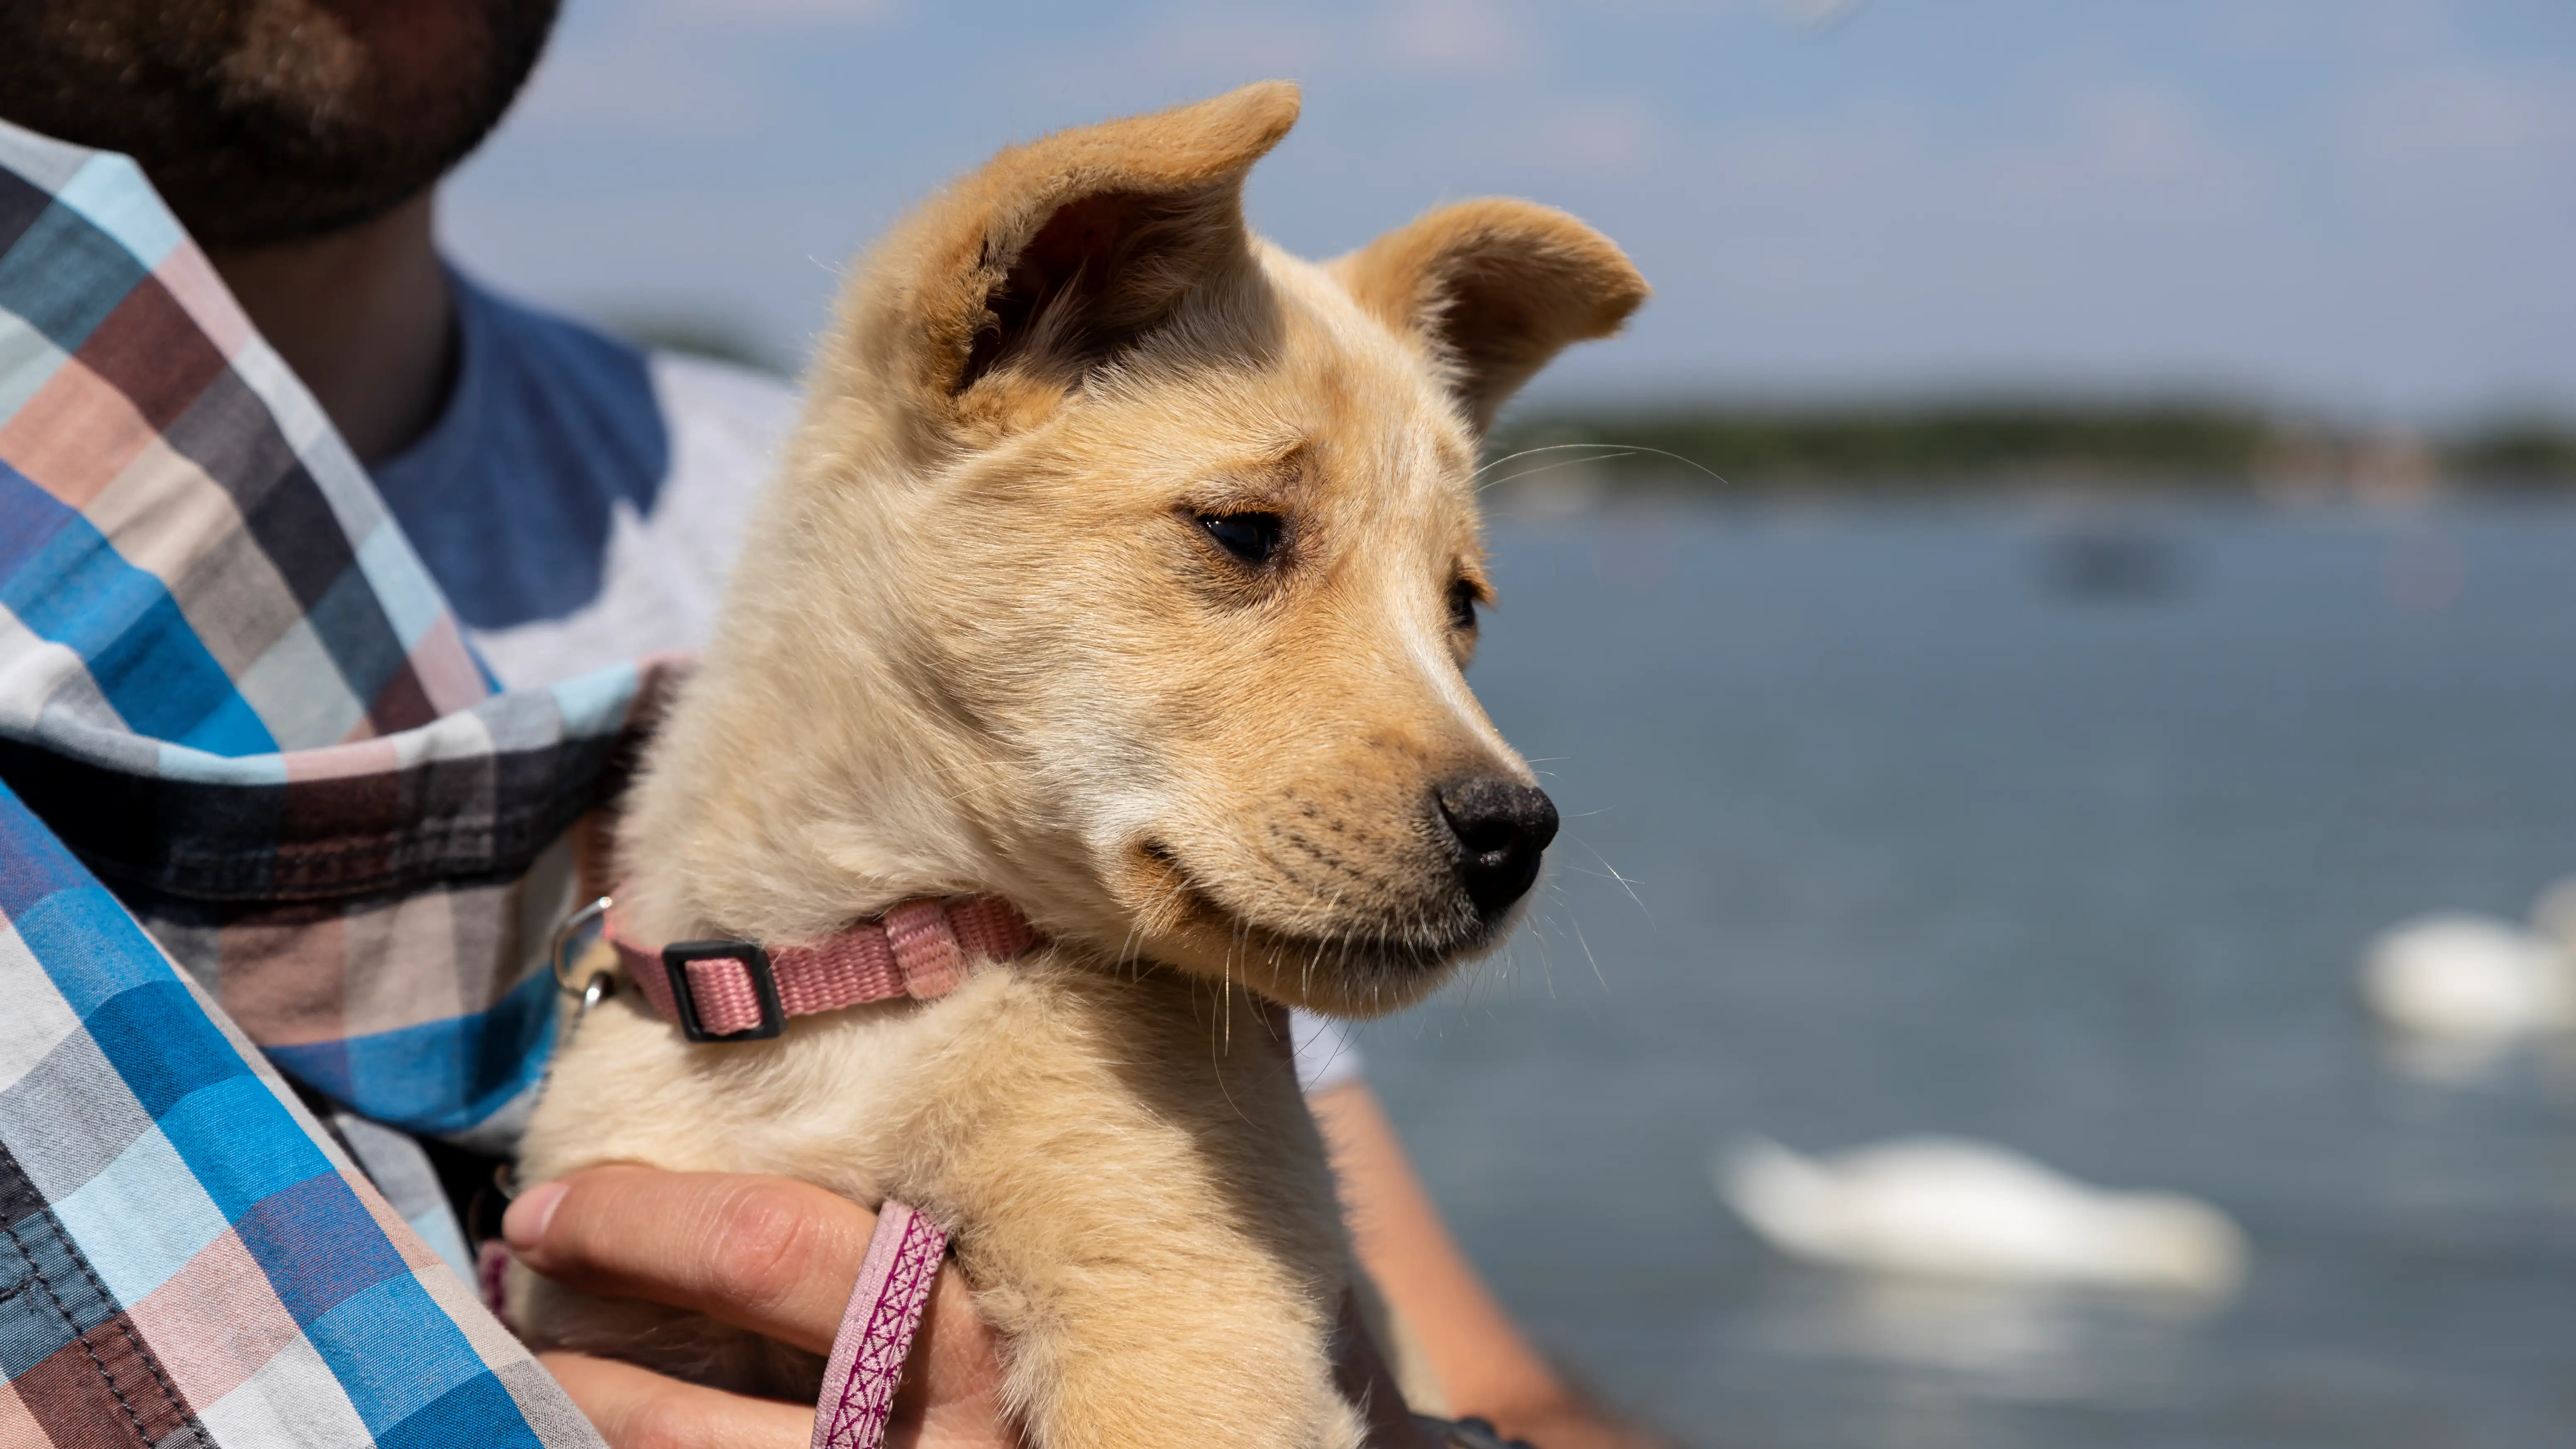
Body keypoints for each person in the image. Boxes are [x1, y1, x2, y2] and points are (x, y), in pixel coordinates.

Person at [0, 4, 1656, 1447]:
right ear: (1026, 299)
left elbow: (1448, 1376)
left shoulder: (1140, 912)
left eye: (1452, 609)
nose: (1472, 758)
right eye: (1242, 537)